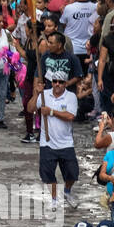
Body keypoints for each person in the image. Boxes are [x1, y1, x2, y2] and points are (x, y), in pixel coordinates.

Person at [28, 69, 79, 211]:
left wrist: (51, 112)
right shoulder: (44, 95)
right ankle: (54, 198)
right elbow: (30, 108)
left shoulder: (71, 97)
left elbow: (70, 116)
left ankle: (67, 192)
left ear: (65, 84)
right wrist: (36, 93)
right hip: (47, 142)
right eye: (55, 81)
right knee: (48, 174)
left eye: (61, 82)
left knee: (72, 173)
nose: (57, 84)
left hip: (66, 142)